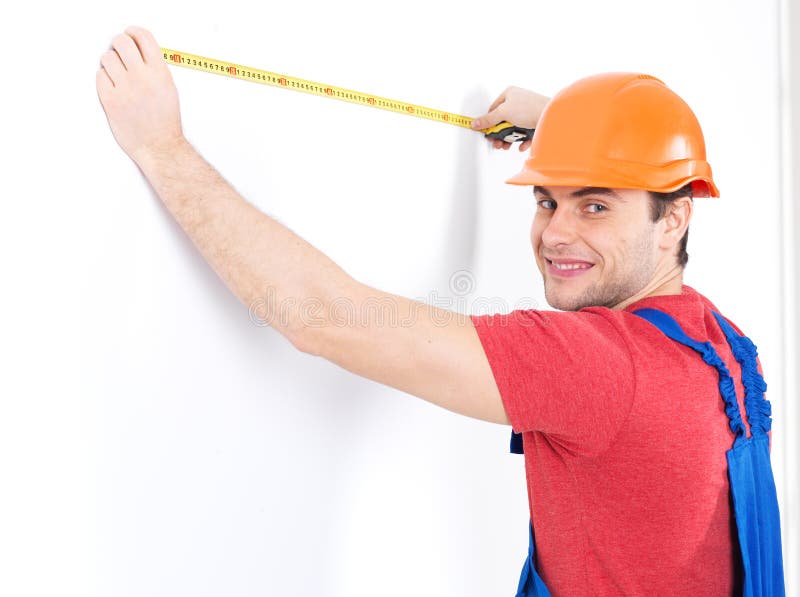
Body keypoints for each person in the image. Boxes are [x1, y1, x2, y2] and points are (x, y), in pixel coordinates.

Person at [96, 26, 785, 596]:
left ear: (674, 220)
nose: (556, 233)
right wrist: (563, 125)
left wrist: (161, 148)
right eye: (546, 199)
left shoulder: (591, 366)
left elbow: (321, 316)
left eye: (595, 204)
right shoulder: (720, 346)